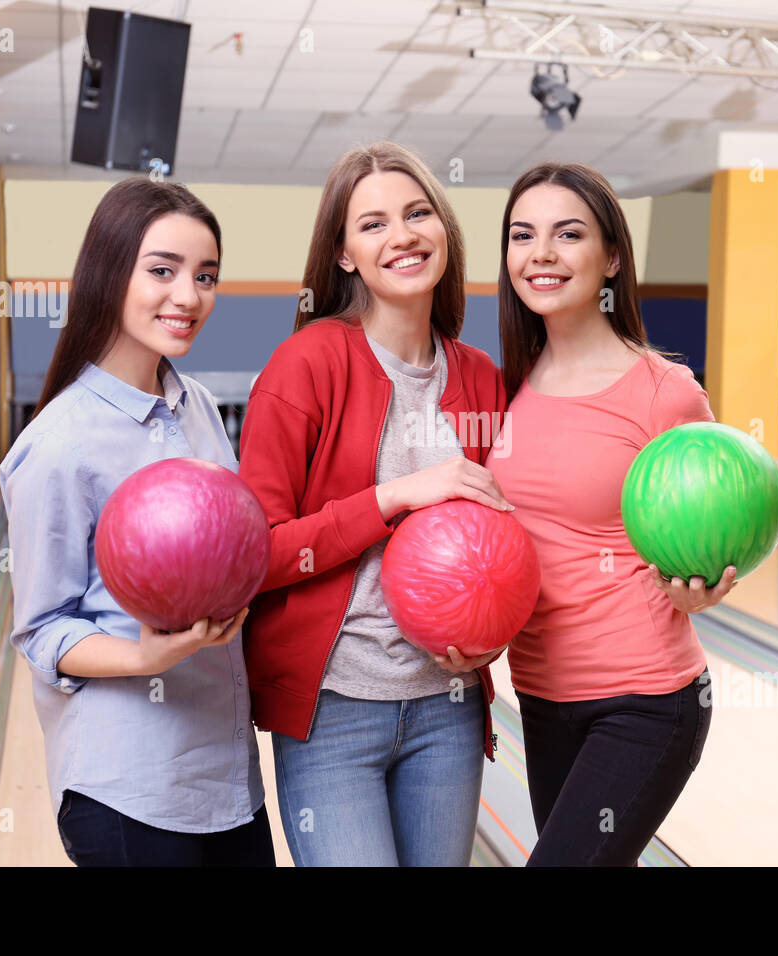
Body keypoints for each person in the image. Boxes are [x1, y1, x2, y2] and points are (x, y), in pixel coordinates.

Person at [237, 141, 509, 866]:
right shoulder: (306, 365)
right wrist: (391, 497)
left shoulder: (482, 379)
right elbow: (256, 554)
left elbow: (504, 546)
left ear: (444, 230)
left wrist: (495, 632)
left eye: (419, 213)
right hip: (333, 714)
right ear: (345, 254)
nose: (404, 235)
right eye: (374, 223)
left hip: (446, 708)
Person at [0, 178, 274, 867]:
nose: (188, 296)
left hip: (228, 780)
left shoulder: (200, 407)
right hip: (129, 788)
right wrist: (147, 658)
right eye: (162, 271)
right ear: (108, 273)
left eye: (205, 276)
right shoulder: (59, 443)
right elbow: (43, 629)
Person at [486, 162, 732, 866]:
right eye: (522, 235)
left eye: (569, 234)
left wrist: (710, 583)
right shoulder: (506, 384)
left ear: (612, 258)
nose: (542, 254)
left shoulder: (664, 391)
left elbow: (721, 514)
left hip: (645, 700)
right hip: (539, 694)